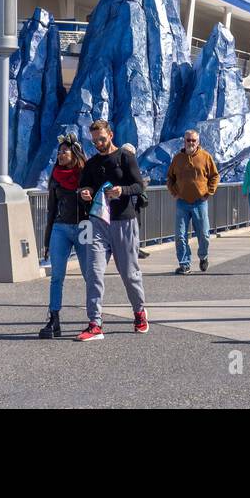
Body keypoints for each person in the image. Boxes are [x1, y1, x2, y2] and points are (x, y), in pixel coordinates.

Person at [75, 120, 148, 341]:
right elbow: (83, 187)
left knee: (129, 273)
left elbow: (139, 186)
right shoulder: (91, 164)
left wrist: (121, 190)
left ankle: (139, 312)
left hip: (124, 221)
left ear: (111, 135)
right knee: (93, 272)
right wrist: (85, 193)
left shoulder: (125, 157)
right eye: (95, 140)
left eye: (102, 139)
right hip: (98, 222)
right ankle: (95, 323)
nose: (98, 143)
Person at [39, 135, 88, 339]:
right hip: (60, 228)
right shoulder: (56, 176)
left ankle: (94, 319)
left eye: (64, 152)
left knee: (90, 275)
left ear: (74, 153)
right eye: (58, 152)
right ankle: (54, 319)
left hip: (85, 227)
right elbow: (51, 210)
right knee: (57, 277)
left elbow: (98, 203)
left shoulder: (85, 174)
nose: (60, 155)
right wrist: (47, 240)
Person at [167, 128, 219, 274]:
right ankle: (185, 263)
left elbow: (215, 176)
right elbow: (170, 178)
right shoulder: (177, 158)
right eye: (188, 140)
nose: (190, 143)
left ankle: (203, 256)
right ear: (184, 141)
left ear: (198, 141)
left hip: (199, 202)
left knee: (204, 234)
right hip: (182, 202)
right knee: (180, 235)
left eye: (193, 140)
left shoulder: (206, 157)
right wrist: (174, 192)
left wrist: (209, 192)